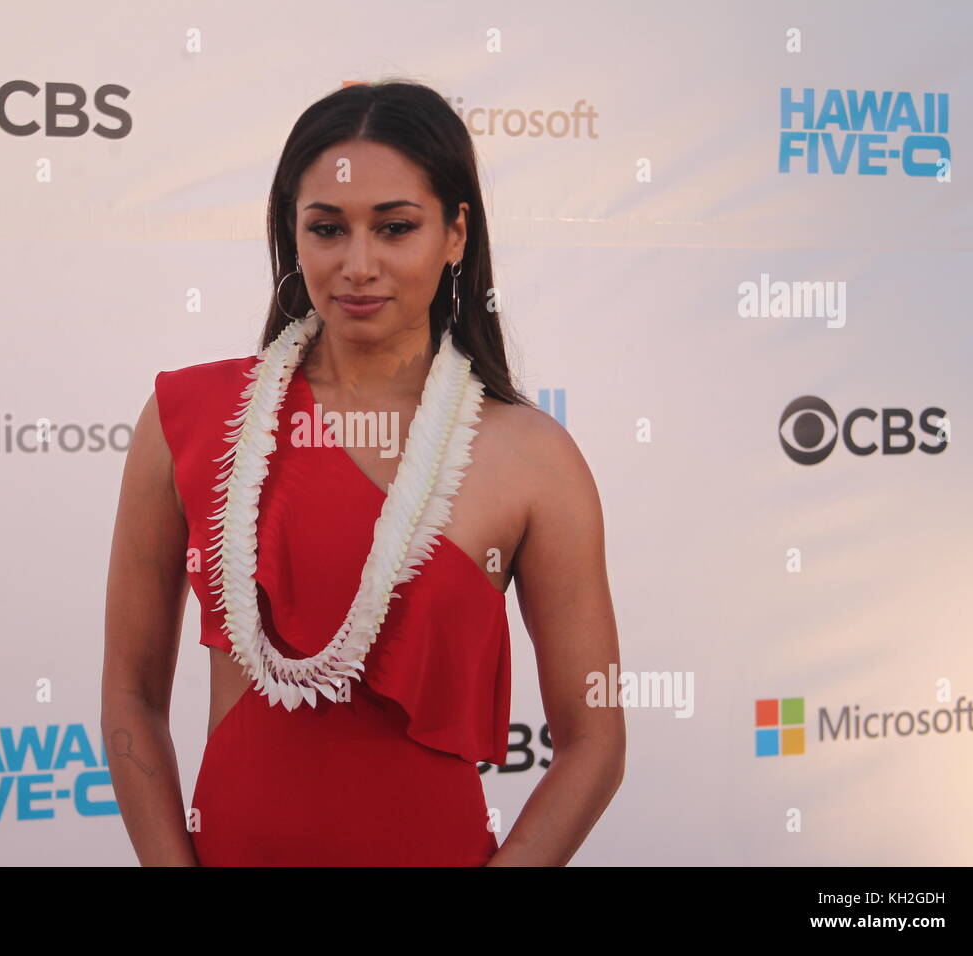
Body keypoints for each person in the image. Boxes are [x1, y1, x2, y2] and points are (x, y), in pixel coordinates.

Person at [102, 80, 624, 866]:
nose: (358, 264)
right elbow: (131, 695)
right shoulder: (188, 417)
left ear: (455, 234)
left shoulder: (532, 457)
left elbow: (595, 740)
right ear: (293, 234)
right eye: (327, 229)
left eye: (395, 228)